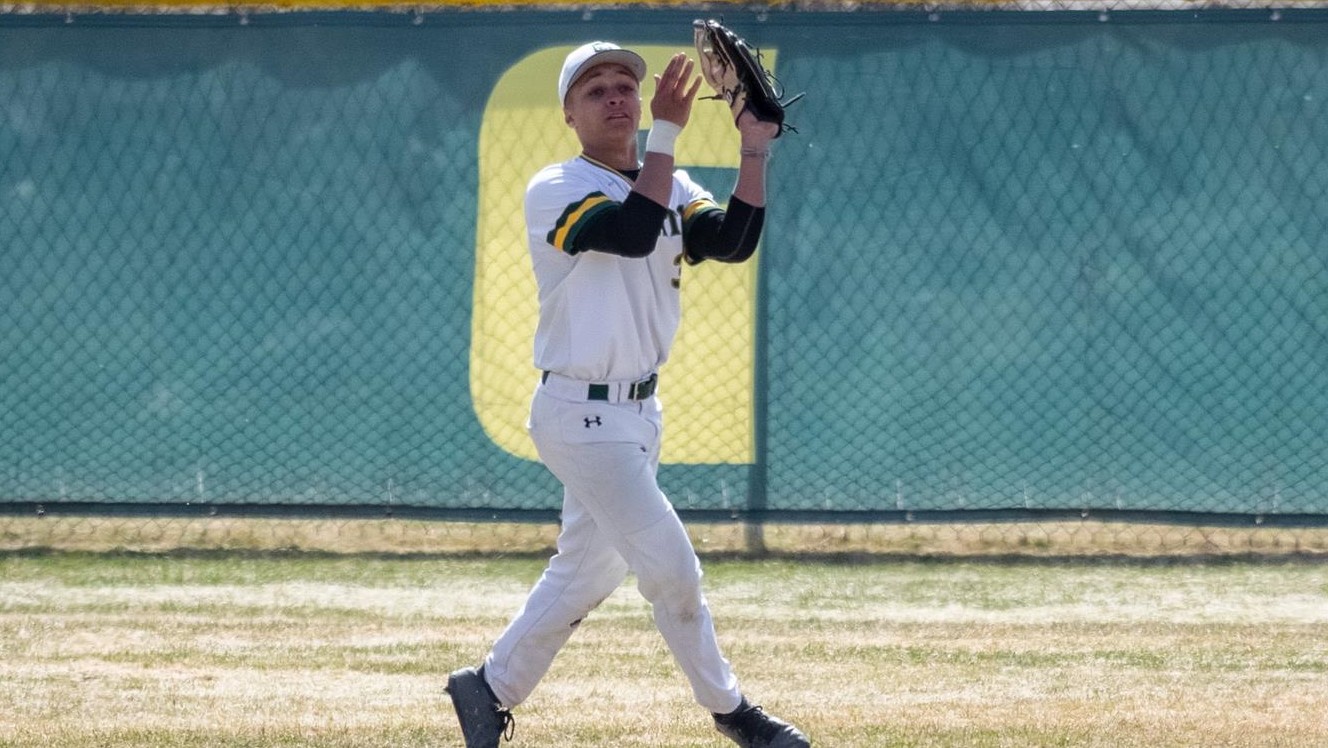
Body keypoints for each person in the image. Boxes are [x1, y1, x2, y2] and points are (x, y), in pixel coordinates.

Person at [446, 40, 810, 748]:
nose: (615, 95)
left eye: (624, 84)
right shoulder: (556, 184)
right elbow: (632, 234)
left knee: (583, 573)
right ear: (568, 116)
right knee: (673, 571)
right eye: (594, 89)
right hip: (578, 412)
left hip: (640, 415)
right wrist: (669, 134)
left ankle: (486, 689)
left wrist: (754, 149)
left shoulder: (671, 182)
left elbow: (731, 241)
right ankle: (736, 714)